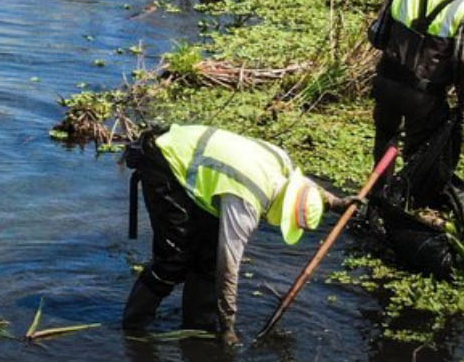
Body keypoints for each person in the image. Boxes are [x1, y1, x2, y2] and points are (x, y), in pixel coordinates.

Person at [120, 124, 356, 344]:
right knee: (173, 259)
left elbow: (304, 185)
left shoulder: (282, 162)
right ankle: (133, 329)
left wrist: (333, 202)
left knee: (208, 256)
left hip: (196, 160)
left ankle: (198, 325)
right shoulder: (246, 202)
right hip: (164, 158)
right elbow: (228, 267)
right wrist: (228, 326)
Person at [366, 0, 464, 174]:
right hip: (425, 96)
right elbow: (463, 61)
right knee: (417, 152)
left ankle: (378, 189)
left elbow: (377, 37)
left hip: (386, 83)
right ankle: (404, 192)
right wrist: (463, 97)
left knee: (385, 137)